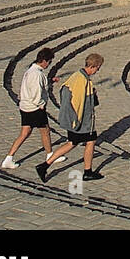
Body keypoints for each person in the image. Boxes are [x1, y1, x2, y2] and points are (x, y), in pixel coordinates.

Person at [39, 53, 104, 183]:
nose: (98, 70)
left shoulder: (76, 76)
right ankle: (87, 171)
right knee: (90, 141)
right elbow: (79, 102)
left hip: (77, 119)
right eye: (98, 67)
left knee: (71, 143)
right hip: (82, 121)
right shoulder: (83, 80)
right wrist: (77, 121)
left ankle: (45, 165)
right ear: (93, 66)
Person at [2, 47, 62, 170]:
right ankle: (50, 155)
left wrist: (50, 81)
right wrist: (41, 105)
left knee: (25, 132)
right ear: (44, 61)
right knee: (45, 130)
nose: (49, 65)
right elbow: (36, 92)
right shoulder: (37, 74)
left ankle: (9, 158)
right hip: (34, 108)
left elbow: (39, 84)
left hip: (25, 106)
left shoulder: (31, 71)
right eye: (49, 62)